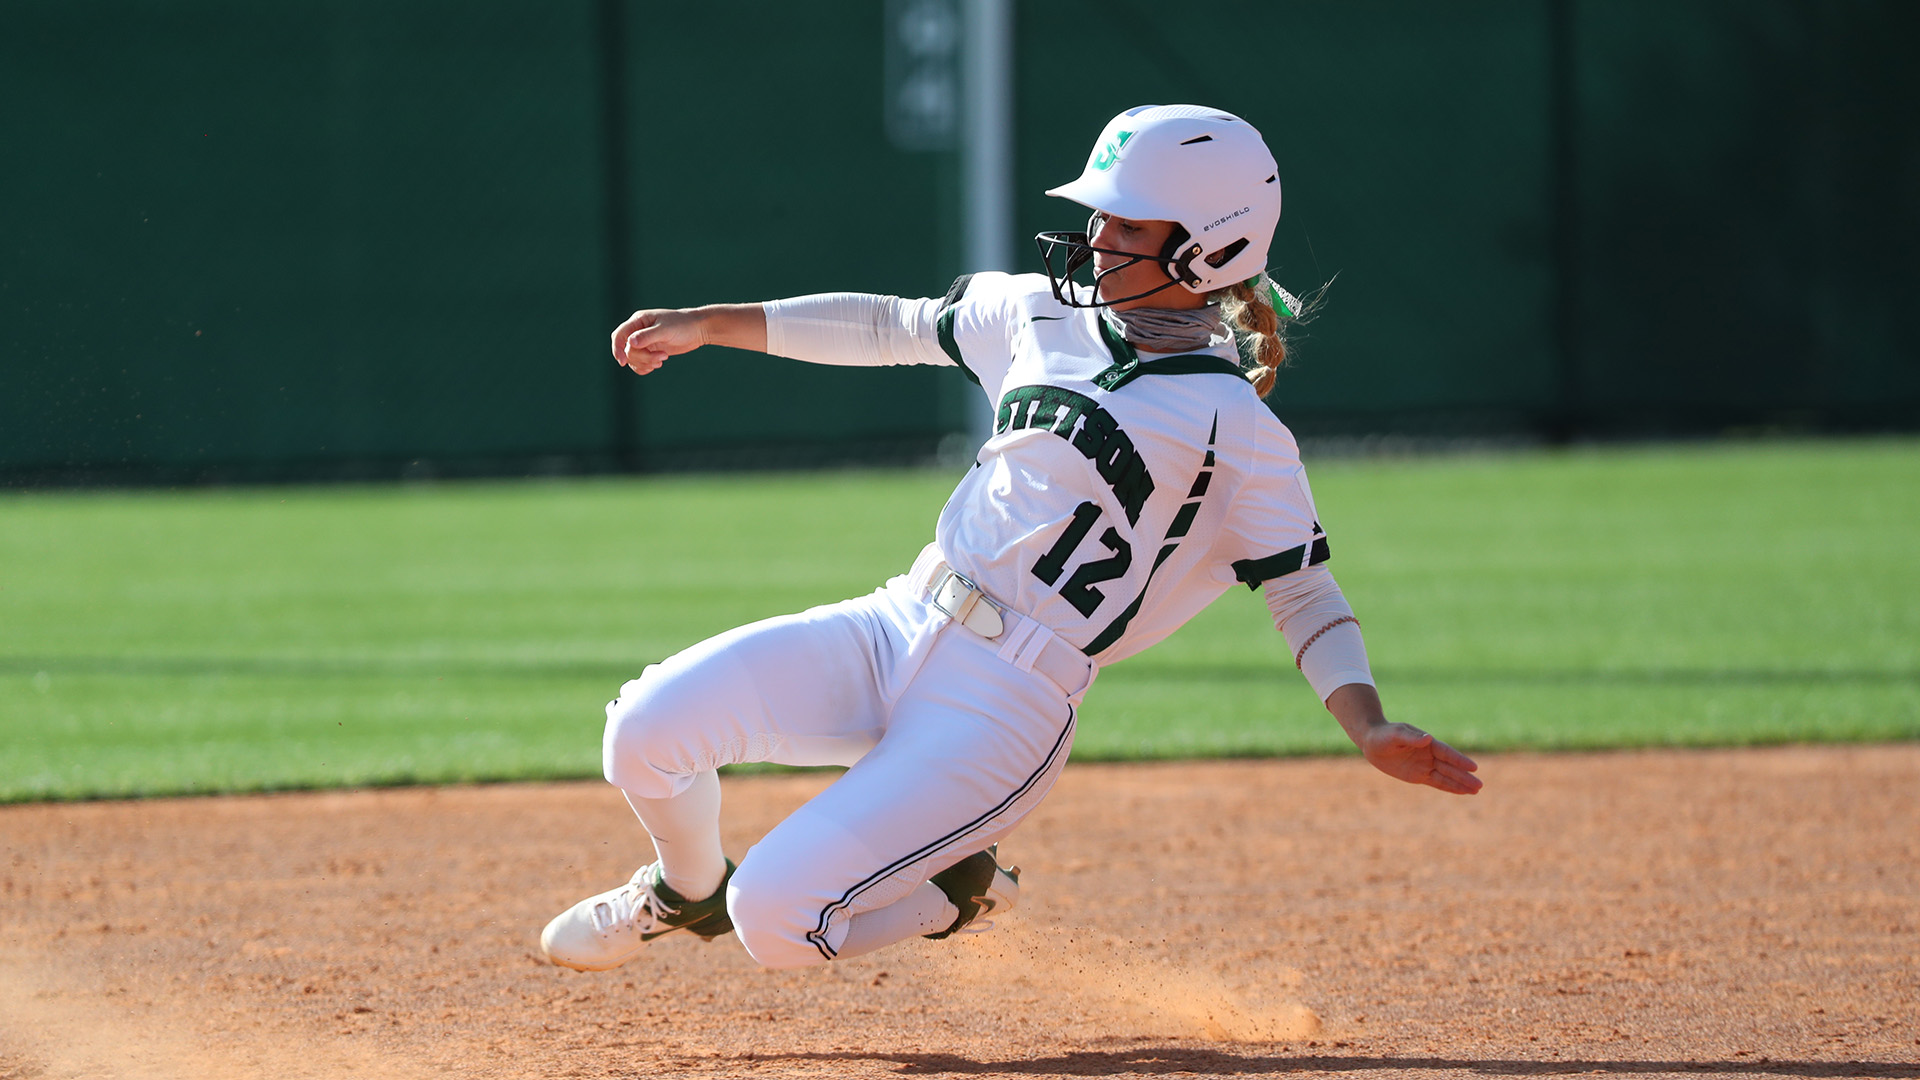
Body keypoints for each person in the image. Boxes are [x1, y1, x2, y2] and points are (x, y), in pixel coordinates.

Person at [539, 104, 1482, 974]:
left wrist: (1366, 723)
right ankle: (682, 891)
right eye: (1103, 215)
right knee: (645, 729)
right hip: (902, 619)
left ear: (1208, 249)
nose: (1099, 236)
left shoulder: (1236, 428)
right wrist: (713, 323)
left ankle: (953, 896)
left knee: (776, 920)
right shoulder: (1041, 312)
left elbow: (1304, 593)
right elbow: (888, 325)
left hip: (1006, 707)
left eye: (1128, 223)